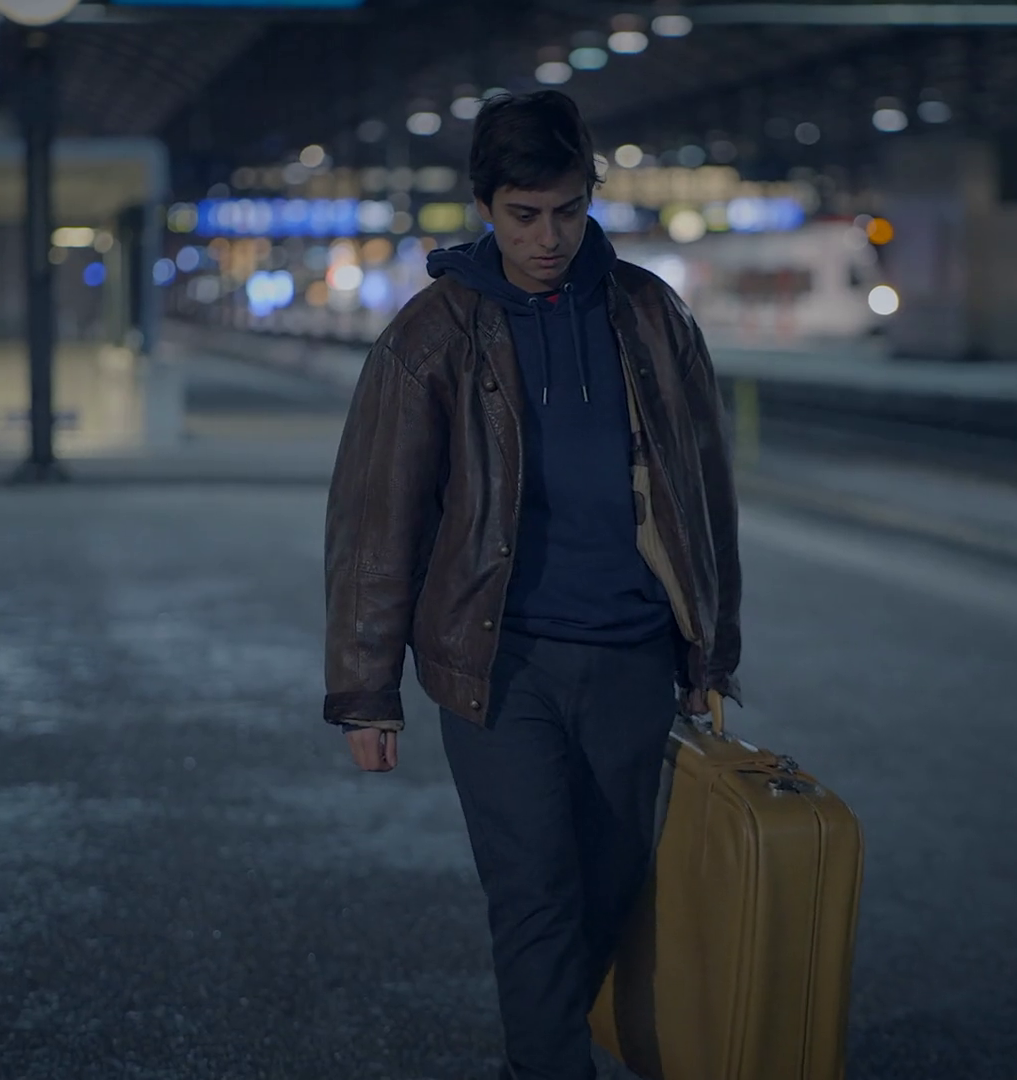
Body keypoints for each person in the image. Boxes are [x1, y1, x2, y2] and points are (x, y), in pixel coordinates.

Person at [321, 89, 743, 1080]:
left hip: (632, 658)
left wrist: (708, 654)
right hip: (499, 665)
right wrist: (365, 692)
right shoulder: (432, 336)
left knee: (609, 891)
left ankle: (543, 1054)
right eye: (523, 215)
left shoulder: (651, 315)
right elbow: (377, 519)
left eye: (566, 211)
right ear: (485, 207)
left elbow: (702, 496)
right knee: (534, 895)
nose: (547, 238)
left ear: (589, 198)